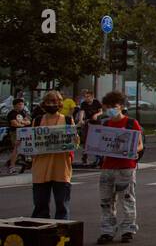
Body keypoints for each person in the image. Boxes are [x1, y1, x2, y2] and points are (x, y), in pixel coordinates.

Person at [96, 91, 144, 243]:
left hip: (126, 167)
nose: (111, 110)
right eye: (108, 107)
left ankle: (128, 229)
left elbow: (140, 145)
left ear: (121, 106)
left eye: (114, 106)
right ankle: (107, 231)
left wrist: (130, 150)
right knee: (106, 201)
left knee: (127, 199)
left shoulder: (131, 123)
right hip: (107, 167)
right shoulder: (105, 124)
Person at [30, 91, 75, 220]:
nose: (52, 104)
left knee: (62, 205)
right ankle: (40, 231)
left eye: (55, 102)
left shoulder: (67, 120)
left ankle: (62, 234)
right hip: (40, 168)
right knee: (40, 205)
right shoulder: (37, 121)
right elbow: (30, 141)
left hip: (61, 168)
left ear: (60, 104)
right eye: (49, 102)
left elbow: (74, 142)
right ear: (44, 104)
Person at [6, 95, 31, 174]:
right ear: (15, 105)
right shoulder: (12, 114)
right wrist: (23, 123)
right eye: (20, 104)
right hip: (15, 133)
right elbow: (14, 124)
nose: (21, 106)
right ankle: (11, 166)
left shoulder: (23, 112)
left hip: (24, 132)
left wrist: (22, 123)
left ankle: (26, 161)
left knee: (27, 147)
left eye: (22, 104)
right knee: (16, 149)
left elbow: (28, 121)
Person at [77, 89, 102, 165]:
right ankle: (84, 158)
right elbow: (82, 112)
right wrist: (81, 120)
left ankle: (98, 158)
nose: (86, 98)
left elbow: (101, 111)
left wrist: (96, 115)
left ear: (92, 97)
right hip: (88, 123)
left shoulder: (96, 102)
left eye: (88, 97)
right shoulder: (84, 104)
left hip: (97, 123)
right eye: (85, 97)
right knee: (86, 140)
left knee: (97, 140)